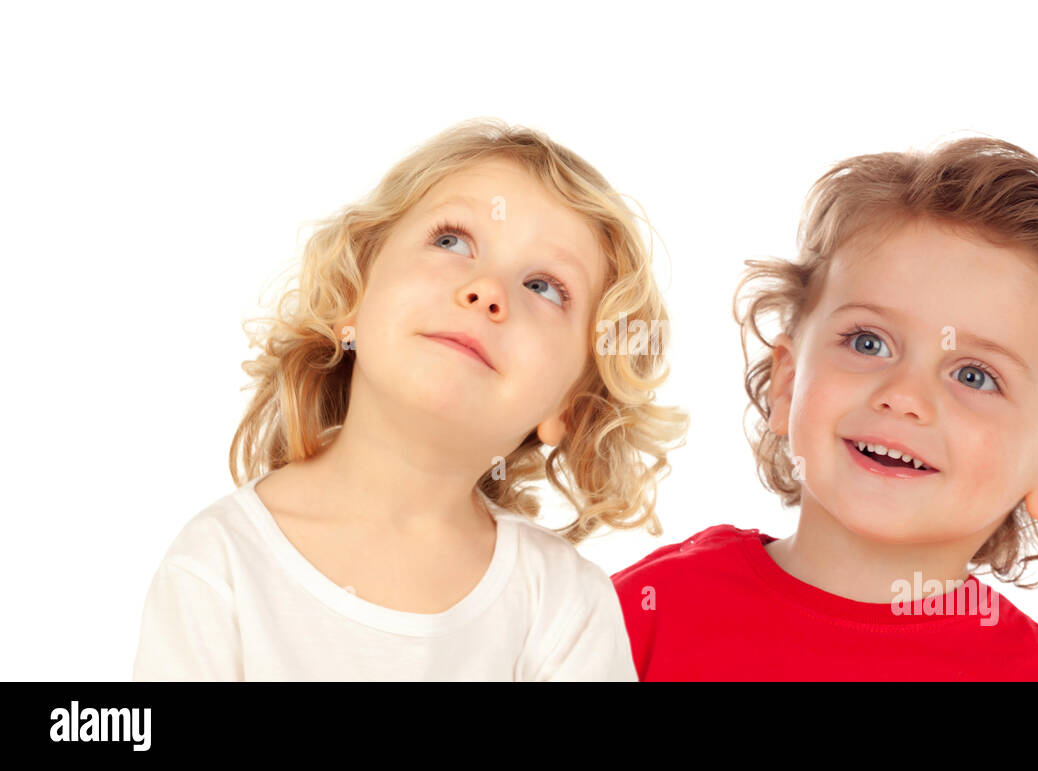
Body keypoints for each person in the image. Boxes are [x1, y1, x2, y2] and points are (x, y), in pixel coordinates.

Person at [133, 118, 686, 681]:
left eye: (543, 287)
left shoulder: (565, 606)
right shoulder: (219, 565)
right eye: (451, 241)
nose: (487, 291)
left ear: (569, 406)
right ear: (352, 296)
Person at [613, 137, 1038, 681]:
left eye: (974, 376)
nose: (903, 396)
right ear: (788, 382)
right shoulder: (643, 613)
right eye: (868, 343)